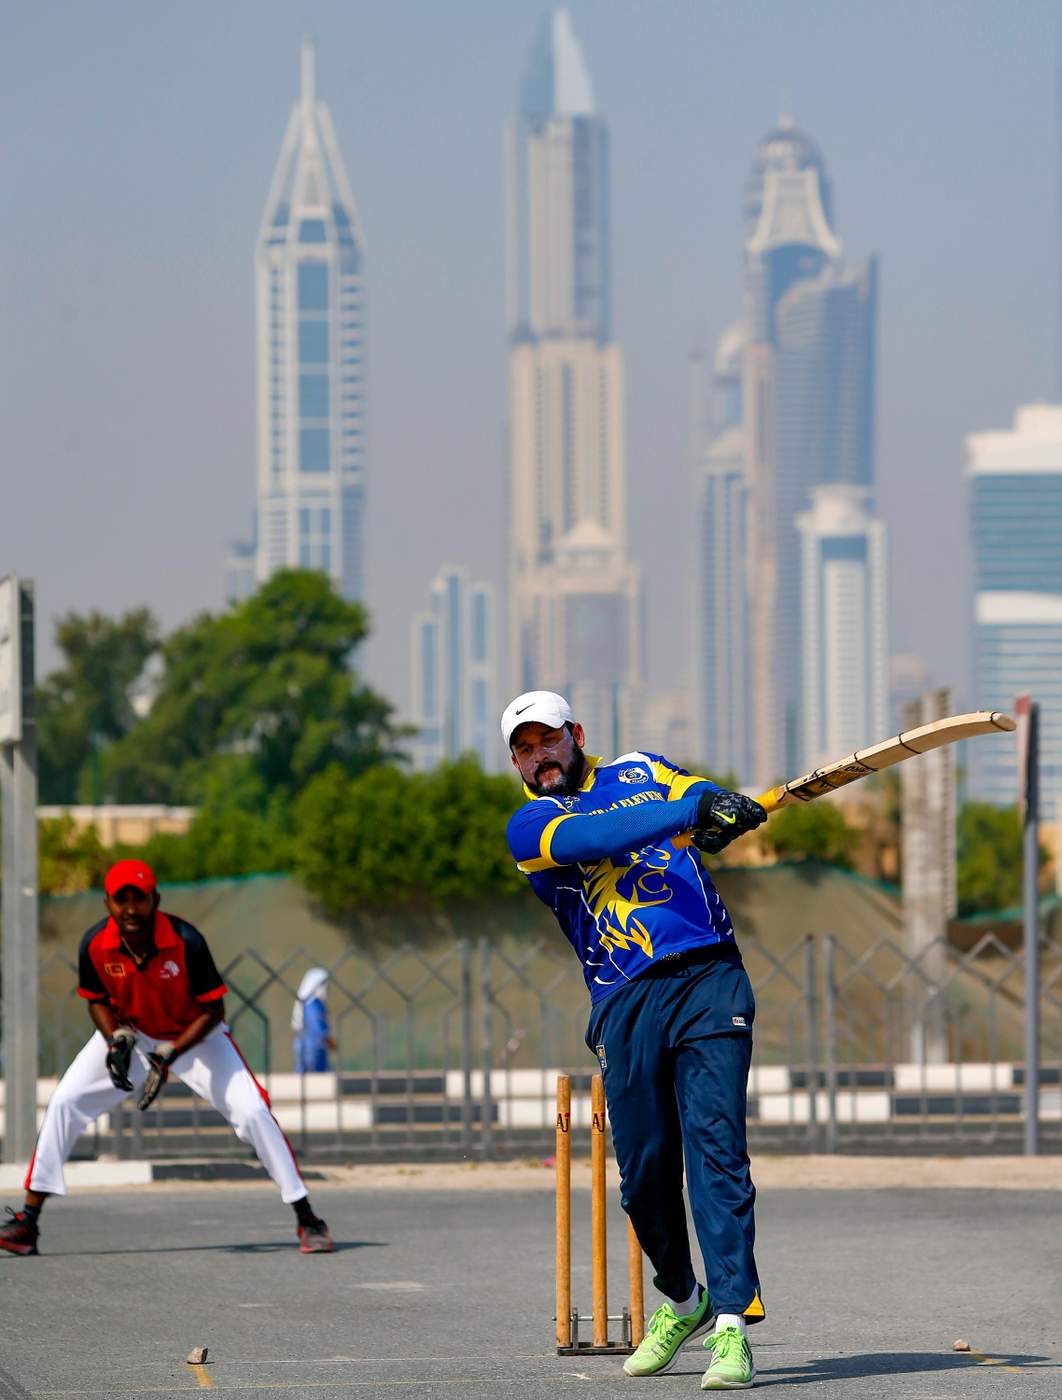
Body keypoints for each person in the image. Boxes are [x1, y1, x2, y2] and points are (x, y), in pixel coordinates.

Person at [502, 691, 767, 1391]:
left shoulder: (641, 770)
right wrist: (691, 813)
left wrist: (719, 811)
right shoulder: (533, 823)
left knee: (718, 1150)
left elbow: (703, 794)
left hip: (710, 976)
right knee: (646, 1176)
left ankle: (733, 1325)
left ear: (575, 735)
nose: (539, 757)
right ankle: (684, 1301)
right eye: (523, 749)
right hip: (623, 999)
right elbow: (595, 843)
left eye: (547, 741)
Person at [0, 859, 334, 1258]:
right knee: (66, 1102)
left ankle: (307, 1217)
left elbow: (213, 1012)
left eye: (138, 898)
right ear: (107, 903)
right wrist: (116, 1041)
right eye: (120, 899)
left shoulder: (185, 941)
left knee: (252, 1112)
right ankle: (28, 1224)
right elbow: (97, 1001)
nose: (130, 909)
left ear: (154, 899)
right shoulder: (95, 945)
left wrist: (170, 1054)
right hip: (134, 1035)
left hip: (197, 1038)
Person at [292, 967, 336, 1073]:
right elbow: (318, 1028)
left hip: (310, 1047)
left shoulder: (311, 1004)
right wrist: (329, 1041)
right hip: (312, 1049)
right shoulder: (312, 1004)